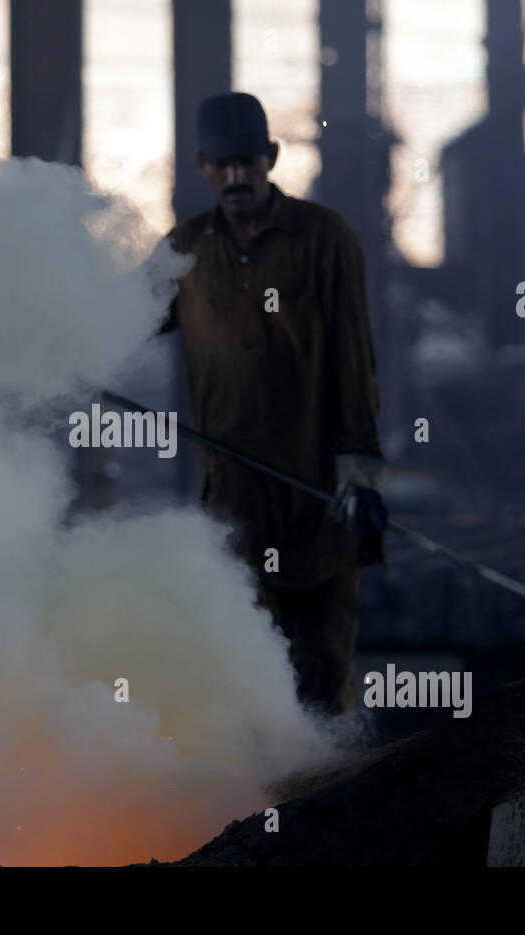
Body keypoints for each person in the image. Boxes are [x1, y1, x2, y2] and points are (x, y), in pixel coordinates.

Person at [156, 92, 387, 716]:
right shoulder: (185, 251)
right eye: (223, 165)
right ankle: (255, 812)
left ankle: (320, 805)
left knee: (317, 678)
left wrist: (360, 473)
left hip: (318, 505)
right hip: (233, 504)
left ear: (272, 158)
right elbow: (117, 319)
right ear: (203, 164)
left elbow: (353, 357)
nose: (236, 178)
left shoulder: (322, 239)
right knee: (241, 683)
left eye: (248, 163)